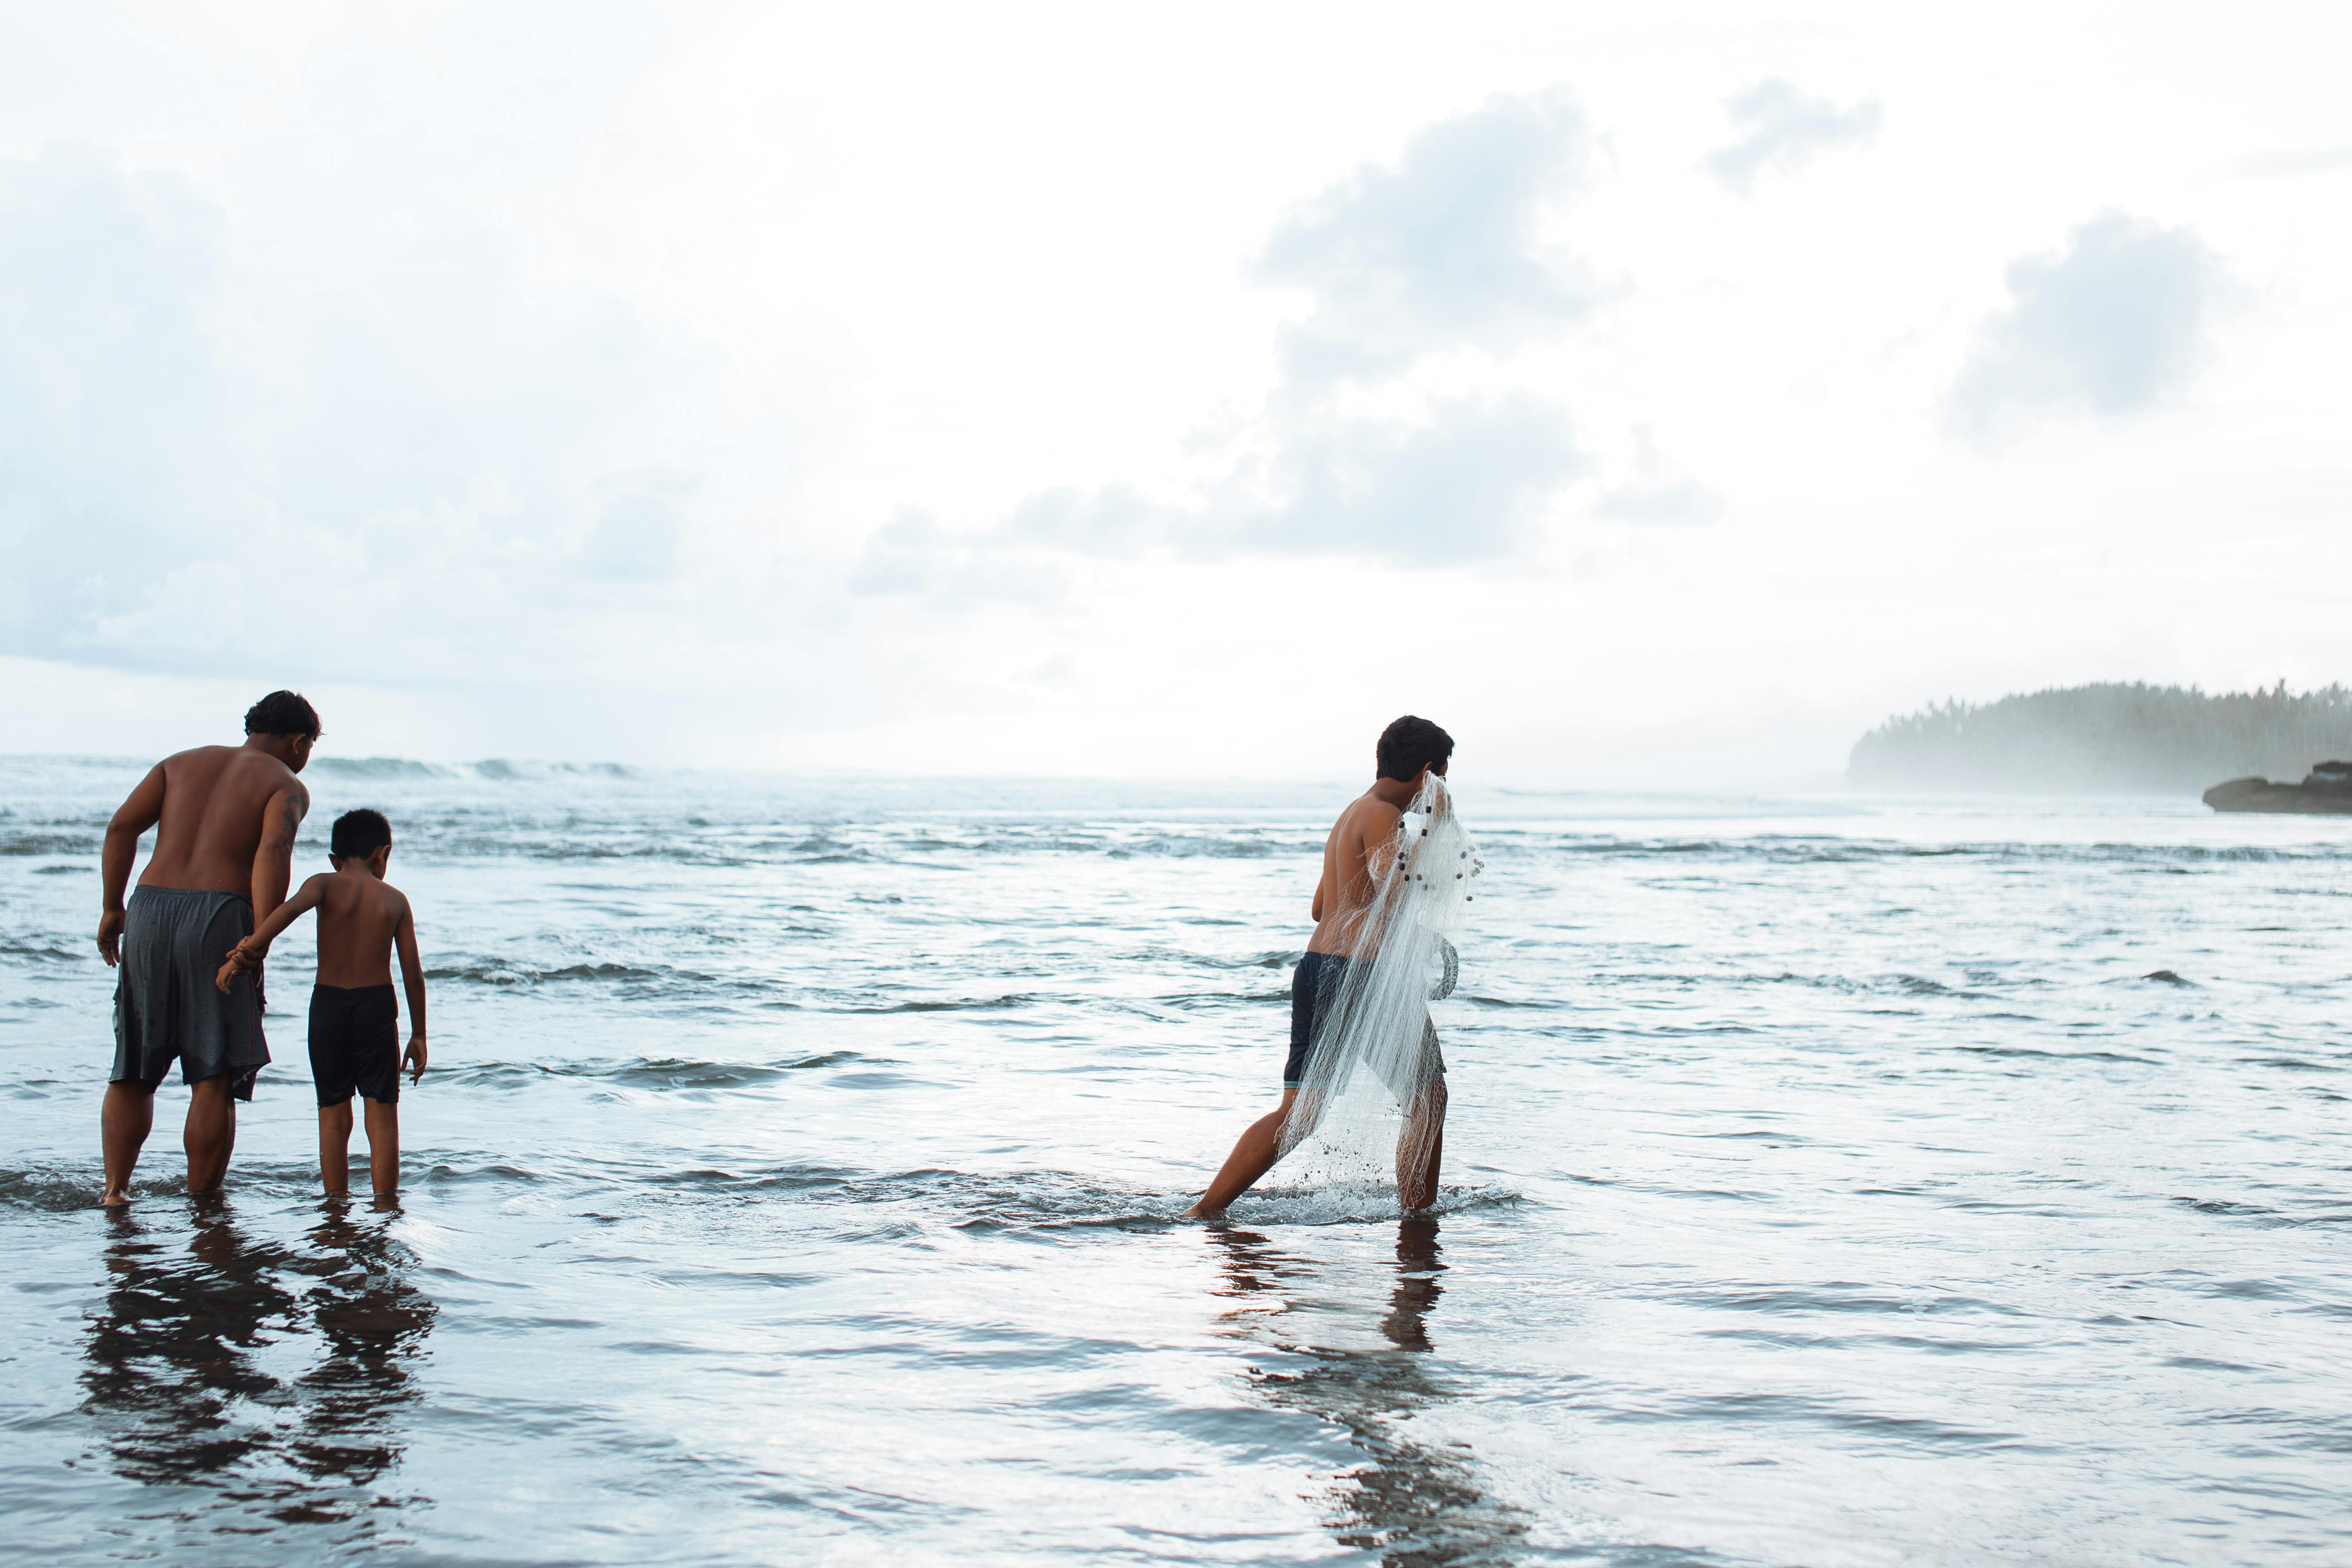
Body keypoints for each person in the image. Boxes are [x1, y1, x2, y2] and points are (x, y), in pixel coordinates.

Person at [1186, 716, 1458, 1219]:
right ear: (1428, 773)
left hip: (1318, 967)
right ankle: (1417, 1218)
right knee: (1428, 1098)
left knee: (1300, 1113)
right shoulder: (1381, 815)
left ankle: (1205, 1210)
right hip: (1362, 976)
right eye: (1444, 775)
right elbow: (1390, 891)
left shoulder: (1353, 812)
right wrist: (1434, 829)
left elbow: (1321, 908)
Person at [96, 691, 319, 1205]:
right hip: (220, 913)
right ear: (298, 741)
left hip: (149, 909)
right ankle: (203, 1205)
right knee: (214, 1074)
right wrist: (259, 936)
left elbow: (121, 827)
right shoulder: (285, 784)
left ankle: (114, 1191)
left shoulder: (178, 764)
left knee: (134, 1065)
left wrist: (113, 908)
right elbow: (273, 851)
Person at [218, 809, 427, 1198]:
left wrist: (248, 949)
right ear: (383, 854)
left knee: (332, 1113)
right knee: (382, 1116)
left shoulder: (323, 885)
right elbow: (413, 974)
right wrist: (419, 1033)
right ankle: (385, 1206)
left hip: (328, 1006)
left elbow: (286, 912)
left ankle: (335, 1206)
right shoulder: (396, 900)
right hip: (376, 1007)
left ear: (335, 859)